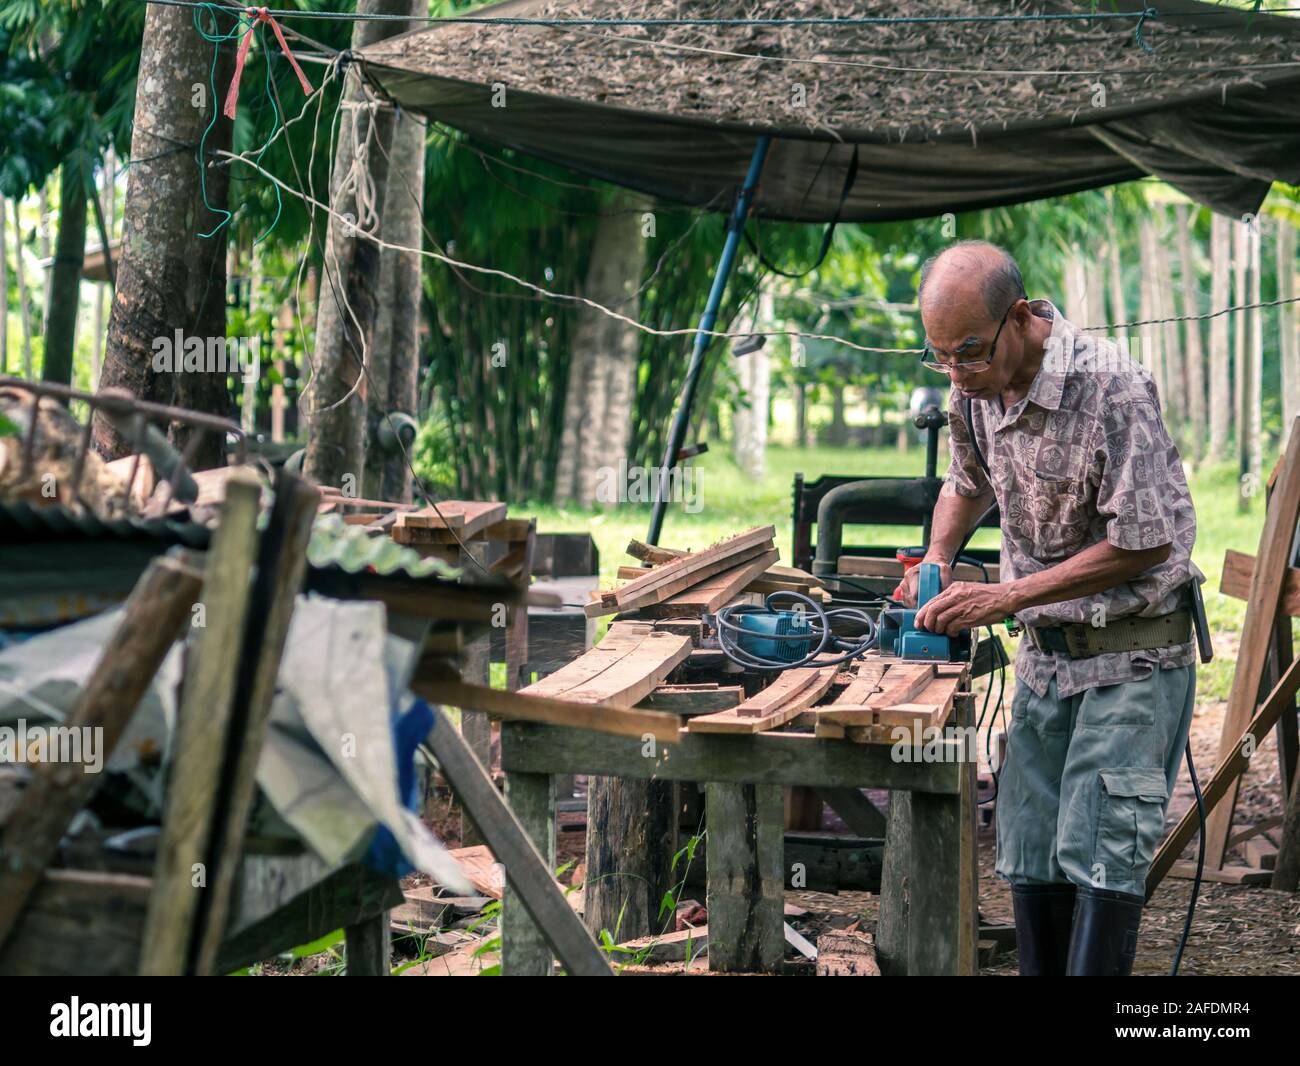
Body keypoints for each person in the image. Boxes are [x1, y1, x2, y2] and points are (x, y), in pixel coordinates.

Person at [900, 240, 1200, 976]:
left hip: (1131, 656)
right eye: (939, 358)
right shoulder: (969, 392)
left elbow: (1145, 543)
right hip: (1046, 664)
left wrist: (1004, 597)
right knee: (1031, 852)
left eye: (968, 352)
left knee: (1103, 855)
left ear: (1024, 317)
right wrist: (939, 558)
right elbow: (966, 484)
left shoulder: (1112, 389)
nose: (956, 375)